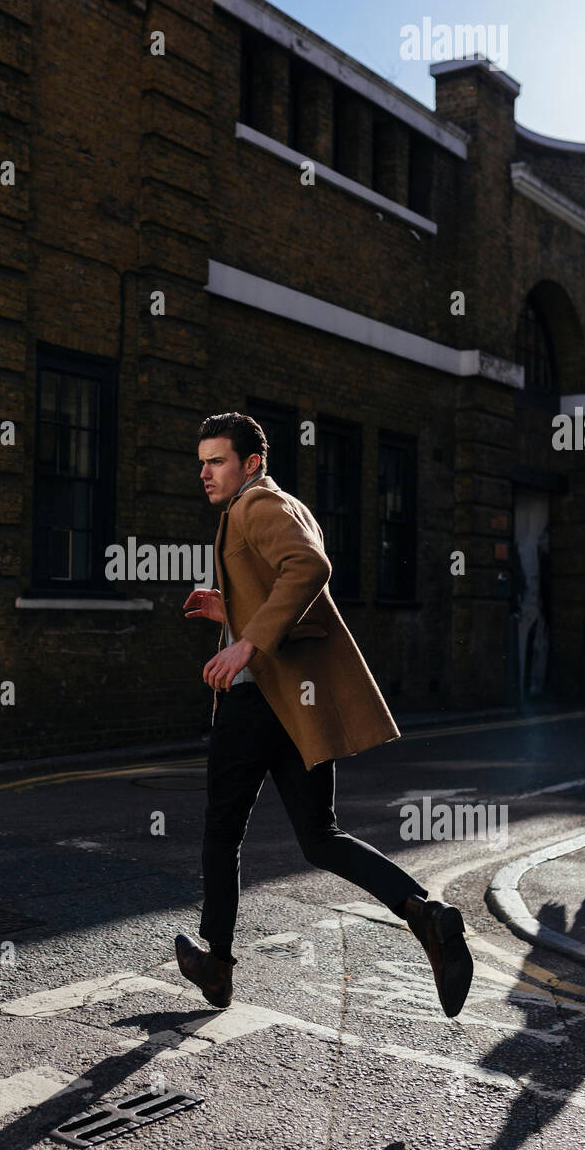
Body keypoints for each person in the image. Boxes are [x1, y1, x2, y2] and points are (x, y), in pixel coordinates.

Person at [175, 412, 473, 1018]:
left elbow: (309, 568)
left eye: (217, 461)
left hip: (259, 699)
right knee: (320, 837)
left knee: (222, 830)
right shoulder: (272, 504)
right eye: (202, 461)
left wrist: (245, 645)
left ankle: (218, 965)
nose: (205, 472)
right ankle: (426, 915)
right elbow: (287, 586)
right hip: (292, 703)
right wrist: (230, 611)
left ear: (250, 463)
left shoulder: (256, 506)